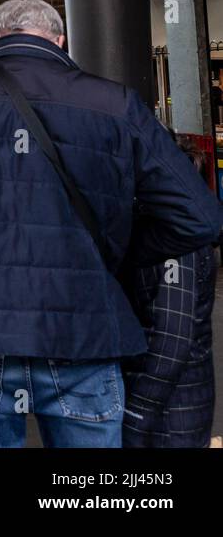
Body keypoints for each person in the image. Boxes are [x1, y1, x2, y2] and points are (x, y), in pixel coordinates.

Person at [0, 0, 223, 448]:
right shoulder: (114, 102)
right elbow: (201, 216)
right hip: (85, 338)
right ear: (60, 41)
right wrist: (115, 256)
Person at [121, 137, 218, 448]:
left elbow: (170, 340)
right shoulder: (173, 226)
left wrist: (135, 416)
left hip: (171, 415)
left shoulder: (175, 239)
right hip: (179, 408)